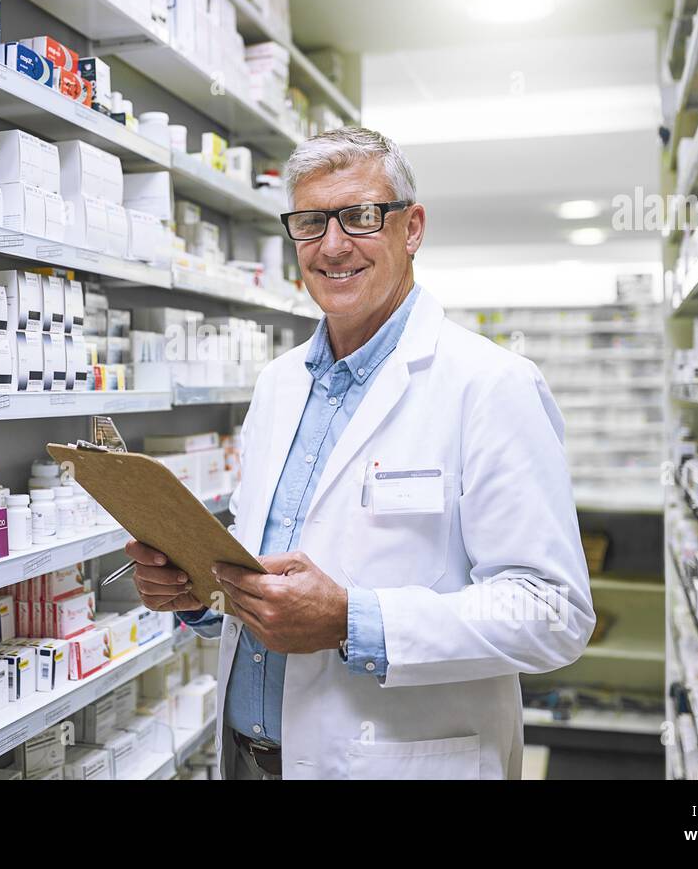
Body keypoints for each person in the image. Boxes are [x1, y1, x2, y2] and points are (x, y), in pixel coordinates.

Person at [126, 126, 594, 779]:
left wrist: (353, 619)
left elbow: (552, 611)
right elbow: (262, 559)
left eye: (362, 217)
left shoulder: (490, 384)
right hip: (247, 760)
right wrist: (200, 592)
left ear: (412, 228)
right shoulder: (277, 383)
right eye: (311, 222)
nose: (334, 244)